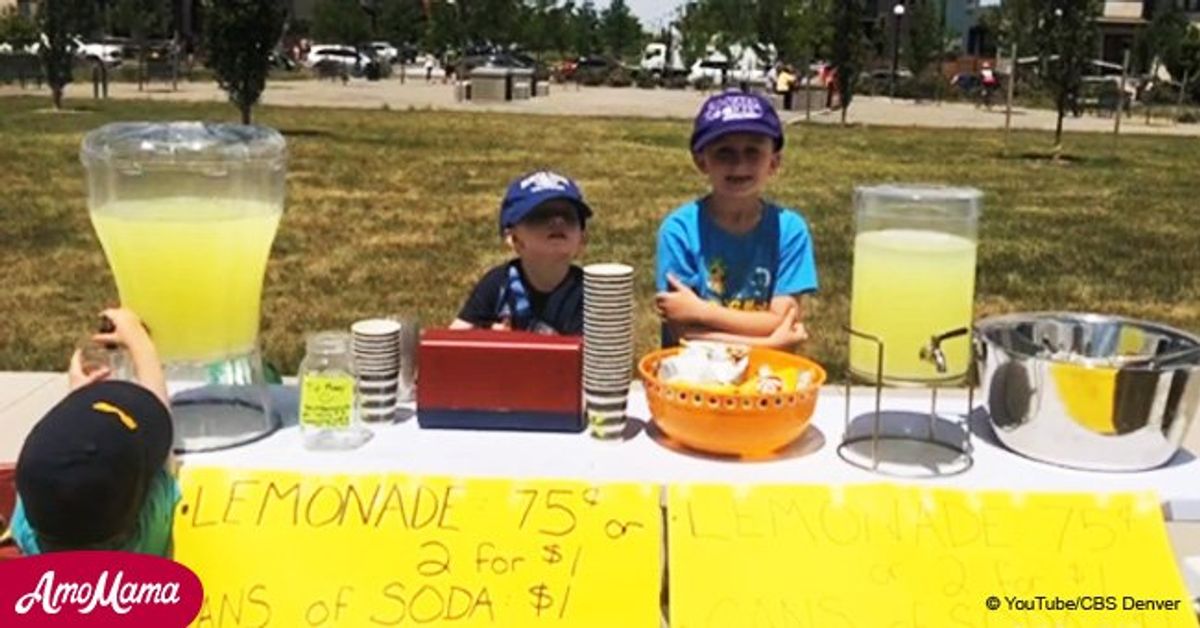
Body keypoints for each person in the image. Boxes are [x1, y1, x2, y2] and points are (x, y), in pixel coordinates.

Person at [8, 308, 179, 556]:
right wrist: (140, 342)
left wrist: (79, 400)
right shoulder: (148, 535)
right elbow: (166, 453)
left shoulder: (28, 536)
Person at [655, 92, 818, 349]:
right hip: (692, 377)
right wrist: (769, 342)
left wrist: (702, 311)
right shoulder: (680, 231)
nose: (739, 165)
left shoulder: (789, 231)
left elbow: (784, 320)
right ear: (701, 162)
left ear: (774, 162)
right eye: (724, 153)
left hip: (766, 379)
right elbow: (684, 333)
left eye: (753, 152)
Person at [451, 171, 593, 335]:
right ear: (513, 238)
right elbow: (449, 345)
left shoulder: (589, 292)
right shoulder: (499, 285)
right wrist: (486, 341)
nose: (558, 221)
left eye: (569, 217)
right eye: (542, 215)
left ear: (582, 238)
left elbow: (605, 355)